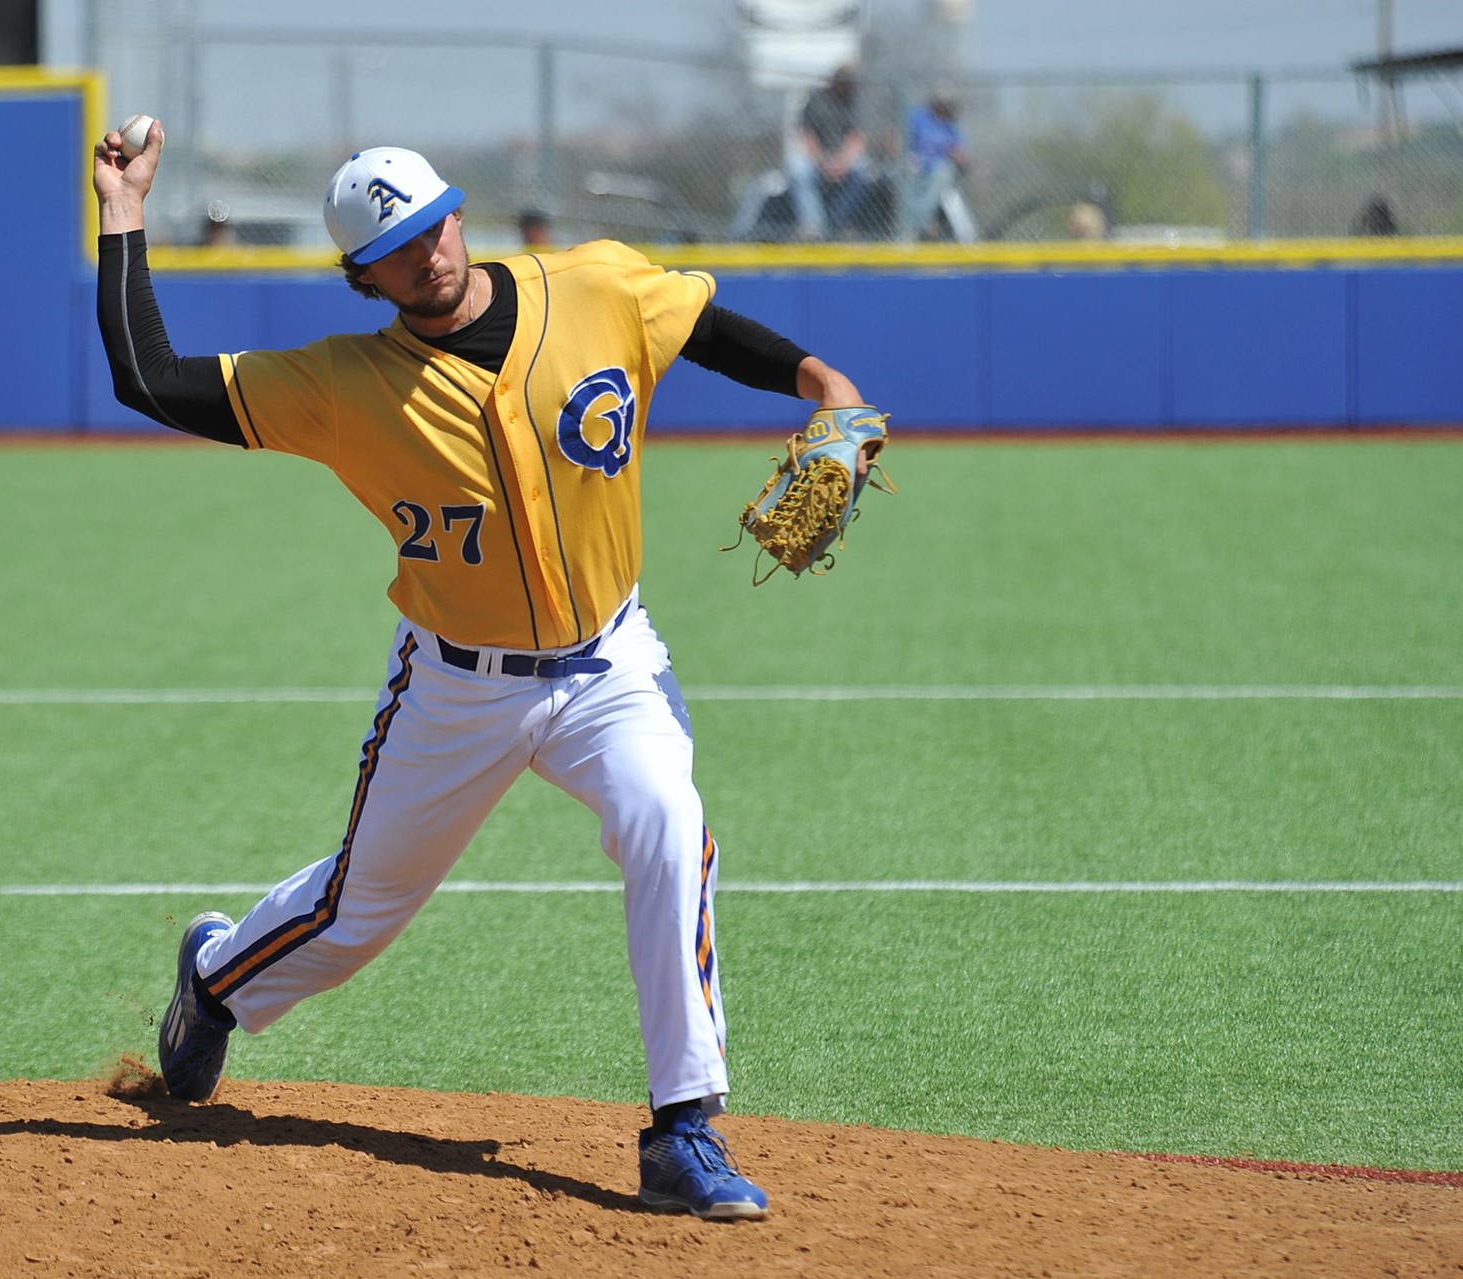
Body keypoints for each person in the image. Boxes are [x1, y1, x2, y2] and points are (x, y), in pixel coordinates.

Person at [93, 122, 869, 1220]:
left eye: (434, 222)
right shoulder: (343, 384)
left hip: (610, 664)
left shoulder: (593, 286)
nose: (430, 252)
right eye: (398, 247)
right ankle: (216, 978)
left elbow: (697, 322)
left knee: (666, 822)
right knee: (359, 915)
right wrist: (124, 212)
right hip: (458, 688)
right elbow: (150, 380)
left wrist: (816, 376)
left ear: (460, 212)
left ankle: (683, 1129)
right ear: (364, 276)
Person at [787, 64, 875, 240]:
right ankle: (814, 228)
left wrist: (843, 163)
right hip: (817, 157)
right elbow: (807, 135)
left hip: (844, 160)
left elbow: (857, 138)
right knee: (798, 170)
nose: (848, 88)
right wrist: (822, 162)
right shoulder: (816, 99)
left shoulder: (853, 102)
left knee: (864, 171)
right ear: (835, 82)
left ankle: (836, 223)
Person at [897, 87, 972, 243]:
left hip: (937, 171)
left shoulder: (952, 127)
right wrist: (906, 156)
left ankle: (914, 226)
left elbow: (963, 157)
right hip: (913, 166)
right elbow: (898, 140)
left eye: (949, 105)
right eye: (943, 104)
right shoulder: (917, 117)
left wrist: (954, 153)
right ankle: (918, 224)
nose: (946, 108)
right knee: (908, 178)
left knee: (941, 175)